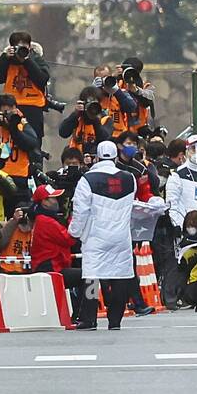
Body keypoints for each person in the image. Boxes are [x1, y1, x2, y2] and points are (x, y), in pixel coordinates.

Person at [69, 141, 138, 330]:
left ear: (97, 157)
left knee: (92, 276)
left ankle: (89, 318)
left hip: (95, 236)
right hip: (121, 235)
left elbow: (80, 211)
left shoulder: (87, 179)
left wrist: (75, 232)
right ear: (116, 157)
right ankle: (115, 321)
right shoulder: (129, 178)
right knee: (120, 276)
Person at [28, 183, 88, 321]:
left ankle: (79, 315)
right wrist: (75, 220)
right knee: (89, 276)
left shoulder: (42, 219)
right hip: (50, 268)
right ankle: (81, 316)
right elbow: (69, 240)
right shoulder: (46, 221)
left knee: (84, 275)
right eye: (52, 198)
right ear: (44, 202)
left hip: (49, 266)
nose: (56, 201)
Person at [0, 31, 51, 142]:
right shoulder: (8, 60)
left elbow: (43, 79)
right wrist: (4, 57)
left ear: (30, 46)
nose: (21, 50)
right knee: (11, 138)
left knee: (34, 141)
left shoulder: (36, 59)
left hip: (33, 106)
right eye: (18, 47)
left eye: (24, 47)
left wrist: (26, 61)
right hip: (11, 106)